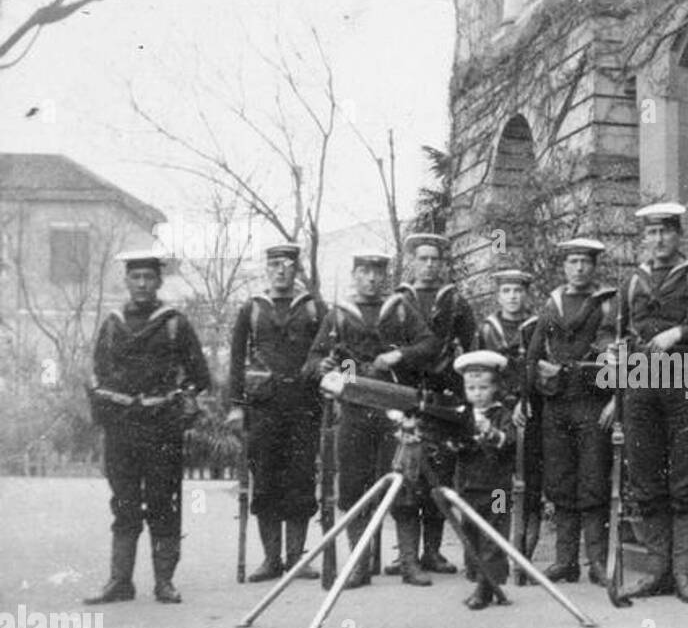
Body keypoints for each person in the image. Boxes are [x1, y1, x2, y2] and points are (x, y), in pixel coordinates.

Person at [614, 203, 688, 604]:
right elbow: (610, 336)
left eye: (666, 232)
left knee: (686, 476)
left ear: (678, 235)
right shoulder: (631, 282)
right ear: (644, 238)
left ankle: (684, 573)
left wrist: (679, 333)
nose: (659, 240)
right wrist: (611, 366)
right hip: (640, 381)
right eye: (651, 233)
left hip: (686, 378)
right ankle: (657, 571)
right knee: (645, 479)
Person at [307, 251, 441, 588]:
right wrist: (321, 368)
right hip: (352, 410)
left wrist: (399, 354)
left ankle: (409, 563)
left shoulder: (399, 308)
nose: (371, 279)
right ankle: (359, 565)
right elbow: (313, 359)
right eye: (364, 272)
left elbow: (430, 344)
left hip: (394, 410)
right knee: (353, 488)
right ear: (355, 275)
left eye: (378, 273)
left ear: (385, 276)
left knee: (404, 484)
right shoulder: (338, 315)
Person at [85, 251, 210, 605]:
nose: (141, 284)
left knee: (161, 503)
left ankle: (164, 583)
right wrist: (108, 406)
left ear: (158, 282)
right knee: (123, 504)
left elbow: (200, 376)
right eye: (135, 277)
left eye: (148, 278)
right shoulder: (112, 323)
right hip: (122, 429)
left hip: (161, 429)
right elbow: (95, 372)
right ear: (127, 281)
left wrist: (180, 399)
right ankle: (119, 582)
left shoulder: (174, 323)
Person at [226, 244, 327, 582]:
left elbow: (334, 351)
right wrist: (236, 407)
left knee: (300, 478)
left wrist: (329, 377)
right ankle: (271, 560)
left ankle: (297, 558)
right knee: (266, 479)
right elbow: (236, 360)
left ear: (296, 269)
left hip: (303, 405)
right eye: (275, 265)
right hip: (264, 407)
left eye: (287, 264)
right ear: (266, 269)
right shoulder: (251, 309)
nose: (281, 271)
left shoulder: (314, 308)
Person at [522, 238, 618, 584]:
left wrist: (615, 400)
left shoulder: (608, 304)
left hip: (592, 404)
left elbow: (621, 356)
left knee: (593, 481)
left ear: (594, 266)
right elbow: (532, 356)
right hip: (556, 406)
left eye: (585, 262)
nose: (578, 268)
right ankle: (566, 561)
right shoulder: (552, 305)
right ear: (564, 266)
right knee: (560, 482)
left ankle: (596, 562)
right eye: (573, 261)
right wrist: (526, 401)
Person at [392, 233, 477, 575]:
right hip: (406, 397)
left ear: (443, 264)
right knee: (406, 477)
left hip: (444, 400)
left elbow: (470, 349)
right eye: (423, 258)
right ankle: (406, 553)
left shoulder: (456, 302)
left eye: (435, 259)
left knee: (438, 478)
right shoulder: (398, 301)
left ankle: (433, 552)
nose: (429, 265)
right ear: (411, 261)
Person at [474, 269, 542, 562]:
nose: (513, 297)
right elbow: (476, 373)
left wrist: (526, 400)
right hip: (498, 413)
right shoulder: (487, 330)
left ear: (526, 294)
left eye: (518, 291)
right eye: (506, 291)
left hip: (530, 411)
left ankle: (524, 550)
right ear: (498, 295)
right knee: (499, 483)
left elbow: (541, 367)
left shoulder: (538, 325)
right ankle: (497, 545)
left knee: (529, 482)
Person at [450, 350, 517, 610]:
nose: (477, 393)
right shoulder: (463, 415)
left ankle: (486, 588)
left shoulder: (502, 415)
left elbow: (509, 442)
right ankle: (483, 583)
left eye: (483, 387)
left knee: (494, 535)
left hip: (497, 489)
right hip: (469, 487)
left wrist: (490, 432)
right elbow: (455, 447)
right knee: (472, 535)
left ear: (495, 388)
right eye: (471, 387)